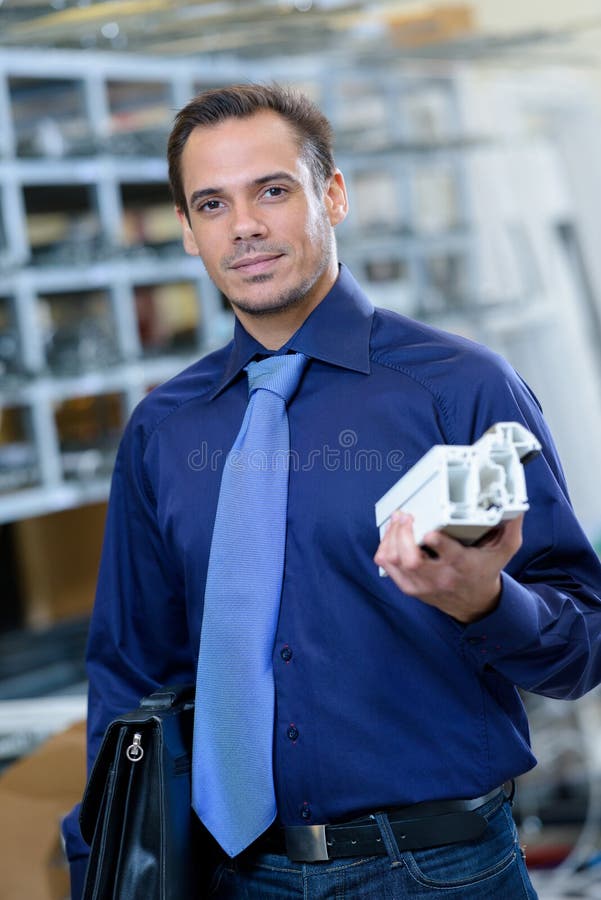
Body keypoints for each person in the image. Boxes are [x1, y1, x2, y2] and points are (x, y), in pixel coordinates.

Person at [62, 83, 601, 899]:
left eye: (271, 190)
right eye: (211, 203)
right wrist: (99, 869)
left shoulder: (459, 389)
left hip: (436, 873)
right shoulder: (164, 430)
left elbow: (584, 643)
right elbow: (131, 678)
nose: (243, 225)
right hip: (237, 877)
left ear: (333, 195)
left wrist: (486, 601)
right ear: (185, 229)